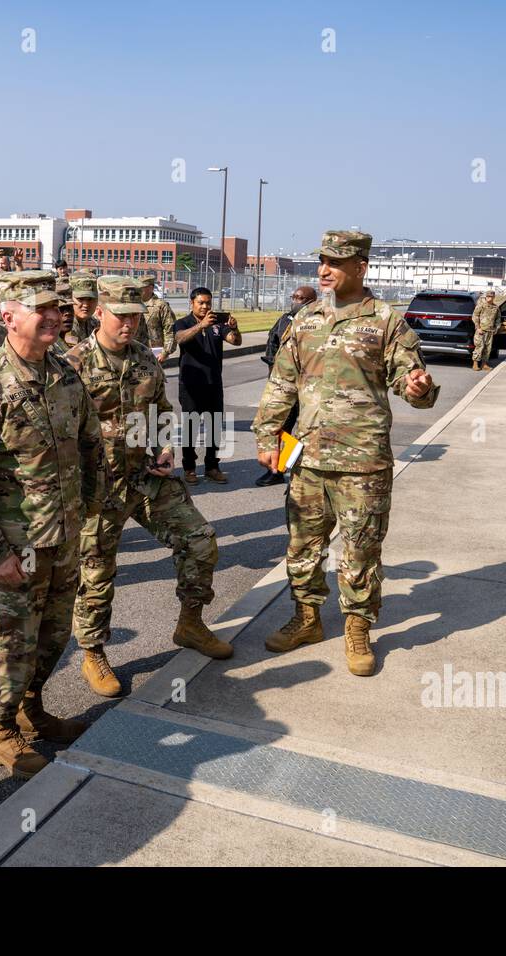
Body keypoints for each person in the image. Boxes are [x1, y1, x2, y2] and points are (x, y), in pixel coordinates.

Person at [253, 230, 438, 677]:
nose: (324, 270)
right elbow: (282, 382)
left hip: (362, 462)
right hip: (308, 459)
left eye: (335, 263)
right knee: (302, 547)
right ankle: (307, 619)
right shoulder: (305, 319)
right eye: (322, 261)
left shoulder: (386, 321)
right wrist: (267, 435)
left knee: (360, 551)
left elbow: (411, 383)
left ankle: (357, 627)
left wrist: (420, 389)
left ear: (360, 267)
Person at [0, 270, 104, 779]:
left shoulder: (65, 374)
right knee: (9, 640)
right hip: (15, 545)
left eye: (58, 308)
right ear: (8, 317)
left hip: (64, 536)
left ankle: (31, 707)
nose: (56, 316)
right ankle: (1, 729)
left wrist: (92, 510)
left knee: (53, 635)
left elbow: (90, 445)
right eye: (43, 309)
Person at [66, 276, 229, 698]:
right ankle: (93, 651)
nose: (130, 324)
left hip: (144, 477)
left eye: (136, 316)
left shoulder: (144, 360)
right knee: (96, 573)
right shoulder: (73, 365)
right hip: (97, 487)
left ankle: (190, 624)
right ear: (99, 312)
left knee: (200, 542)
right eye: (121, 316)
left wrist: (165, 449)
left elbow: (160, 410)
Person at [174, 287, 241, 484]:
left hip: (213, 384)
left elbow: (235, 341)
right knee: (191, 428)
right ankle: (189, 468)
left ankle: (212, 466)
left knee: (214, 428)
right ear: (192, 303)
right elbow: (180, 338)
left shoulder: (217, 324)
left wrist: (234, 328)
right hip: (191, 385)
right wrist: (201, 325)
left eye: (208, 303)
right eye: (201, 303)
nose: (205, 306)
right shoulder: (183, 322)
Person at [255, 285, 316, 486]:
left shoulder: (318, 322)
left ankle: (309, 473)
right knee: (283, 428)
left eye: (300, 298)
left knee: (310, 430)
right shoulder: (284, 320)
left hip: (309, 388)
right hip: (287, 387)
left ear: (311, 300)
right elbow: (272, 343)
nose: (295, 301)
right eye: (294, 297)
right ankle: (277, 470)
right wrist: (273, 368)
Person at [139, 273, 177, 359]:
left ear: (151, 288)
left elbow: (171, 331)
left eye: (141, 288)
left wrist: (166, 352)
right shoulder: (134, 305)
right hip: (135, 353)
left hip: (154, 354)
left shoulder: (160, 306)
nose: (138, 290)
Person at [470, 290, 500, 371]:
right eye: (488, 296)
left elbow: (498, 319)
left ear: (494, 297)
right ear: (486, 297)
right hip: (481, 331)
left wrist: (496, 328)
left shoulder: (495, 307)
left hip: (490, 331)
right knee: (479, 347)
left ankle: (484, 364)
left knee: (487, 348)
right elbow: (475, 316)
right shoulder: (481, 305)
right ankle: (475, 364)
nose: (489, 298)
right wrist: (478, 327)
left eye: (491, 297)